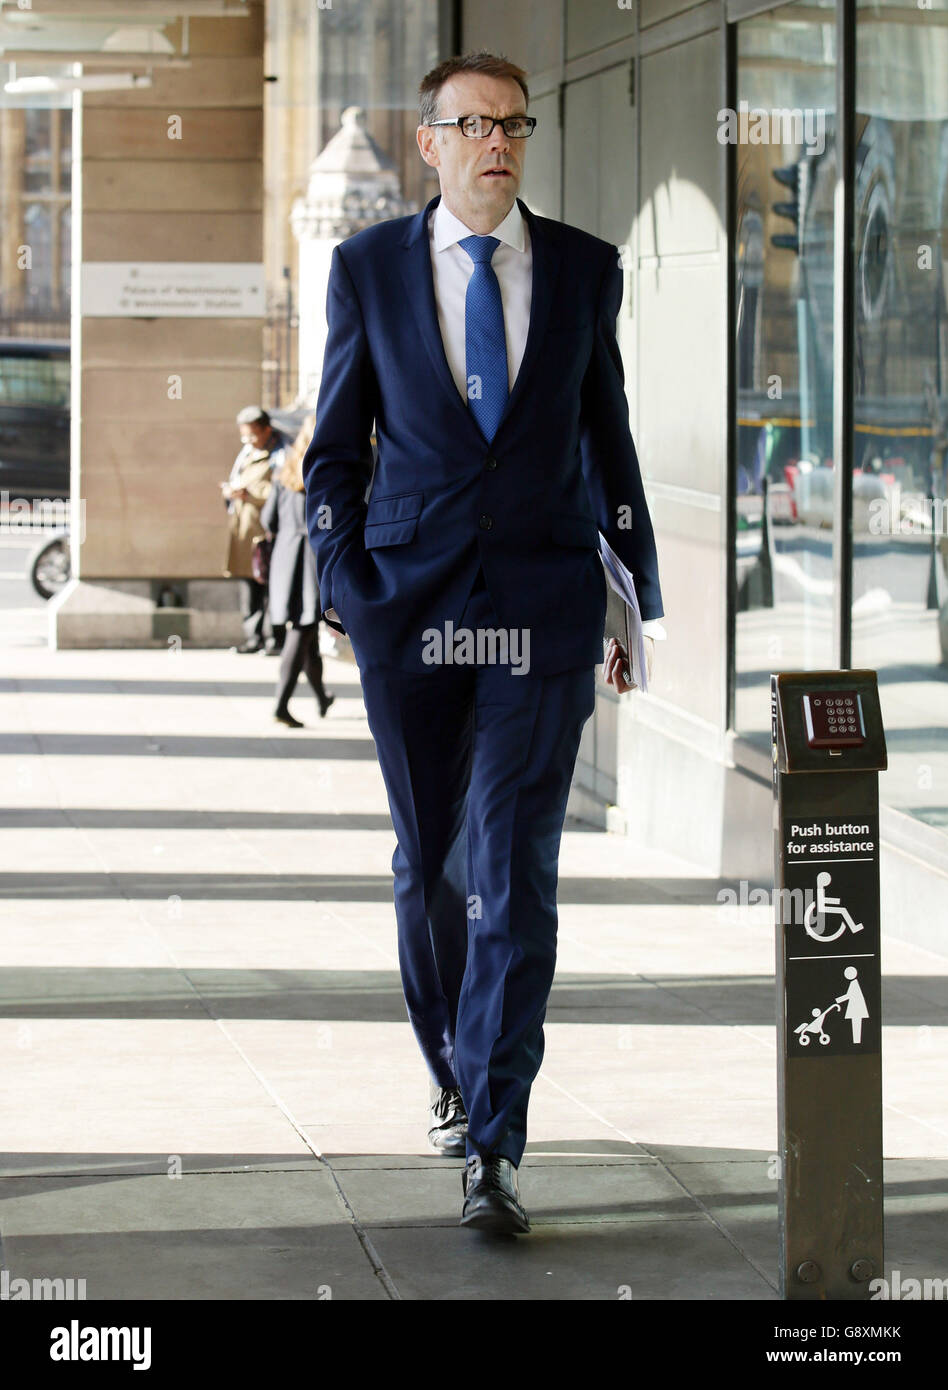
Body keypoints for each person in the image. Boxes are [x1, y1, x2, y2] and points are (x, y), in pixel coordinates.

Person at [302, 51, 664, 1236]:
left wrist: (629, 594)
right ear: (430, 143)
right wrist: (348, 587)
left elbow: (605, 436)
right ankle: (454, 1065)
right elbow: (334, 453)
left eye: (514, 124)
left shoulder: (583, 270)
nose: (497, 142)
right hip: (409, 609)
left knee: (512, 869)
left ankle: (497, 1141)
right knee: (433, 868)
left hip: (543, 610)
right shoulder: (366, 270)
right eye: (473, 125)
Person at [260, 414, 335, 727]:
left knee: (307, 635)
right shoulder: (327, 471)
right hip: (311, 559)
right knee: (302, 629)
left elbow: (268, 522)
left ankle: (321, 698)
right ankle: (280, 704)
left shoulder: (283, 472)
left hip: (285, 557)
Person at [222, 406, 288, 654]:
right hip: (244, 531)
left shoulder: (280, 455)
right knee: (249, 586)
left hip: (267, 532)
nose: (247, 440)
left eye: (251, 435)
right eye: (244, 436)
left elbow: (283, 490)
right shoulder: (246, 454)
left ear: (266, 430)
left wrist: (249, 493)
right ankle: (253, 638)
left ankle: (275, 638)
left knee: (271, 585)